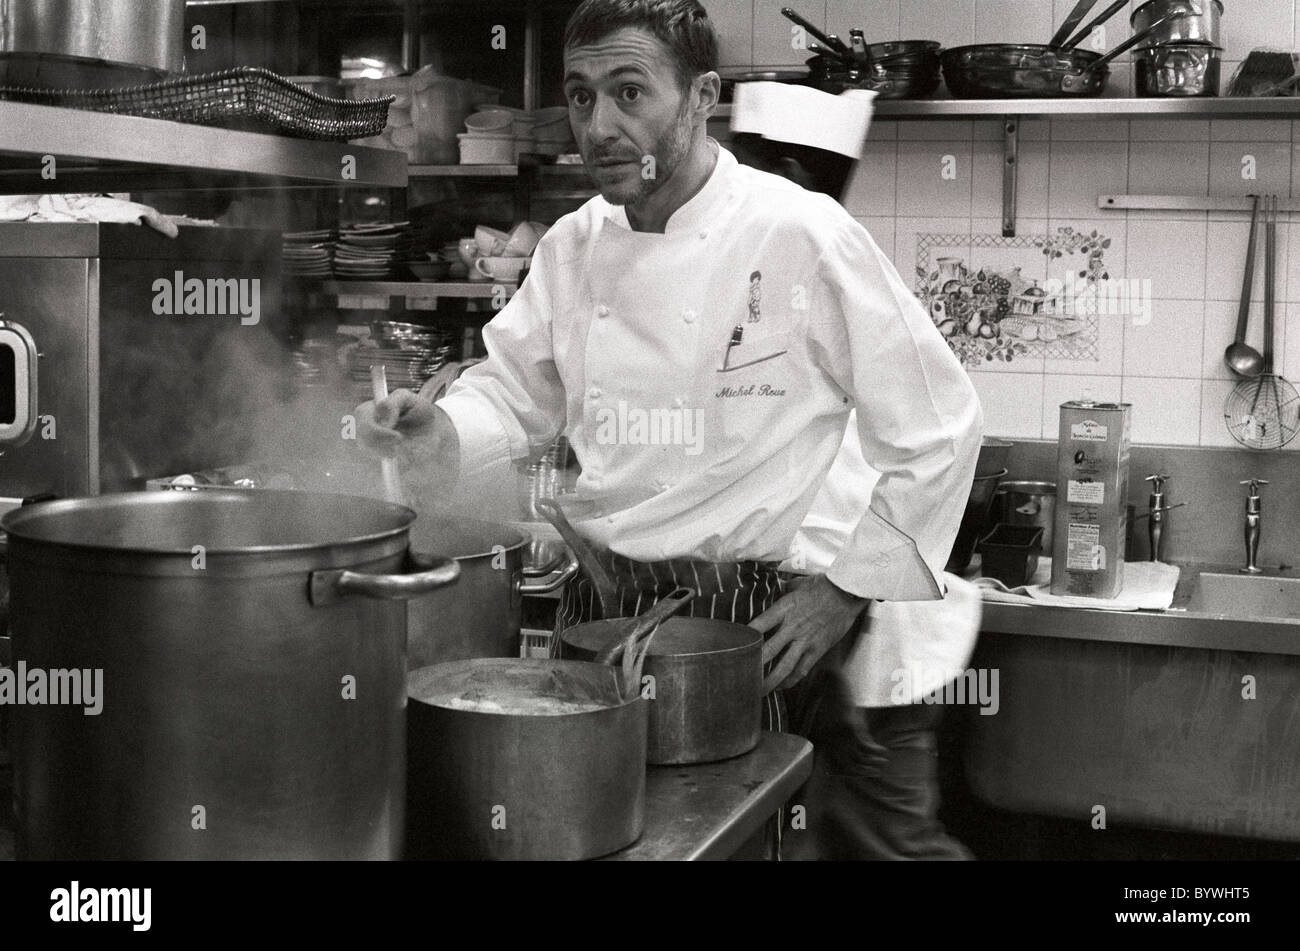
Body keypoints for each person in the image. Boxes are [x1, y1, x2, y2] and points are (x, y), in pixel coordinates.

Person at [357, 0, 982, 854]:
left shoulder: (799, 233)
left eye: (629, 92)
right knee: (598, 837)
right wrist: (441, 434)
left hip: (740, 628)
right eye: (580, 97)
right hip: (600, 611)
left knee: (727, 837)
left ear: (701, 97)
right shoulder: (573, 247)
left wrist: (844, 590)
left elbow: (941, 421)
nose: (599, 126)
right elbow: (508, 394)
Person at [729, 81, 981, 861]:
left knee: (894, 845)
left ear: (798, 182)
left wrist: (838, 634)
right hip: (820, 648)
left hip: (866, 647)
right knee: (799, 838)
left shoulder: (823, 276)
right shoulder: (764, 274)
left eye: (748, 169)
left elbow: (926, 446)